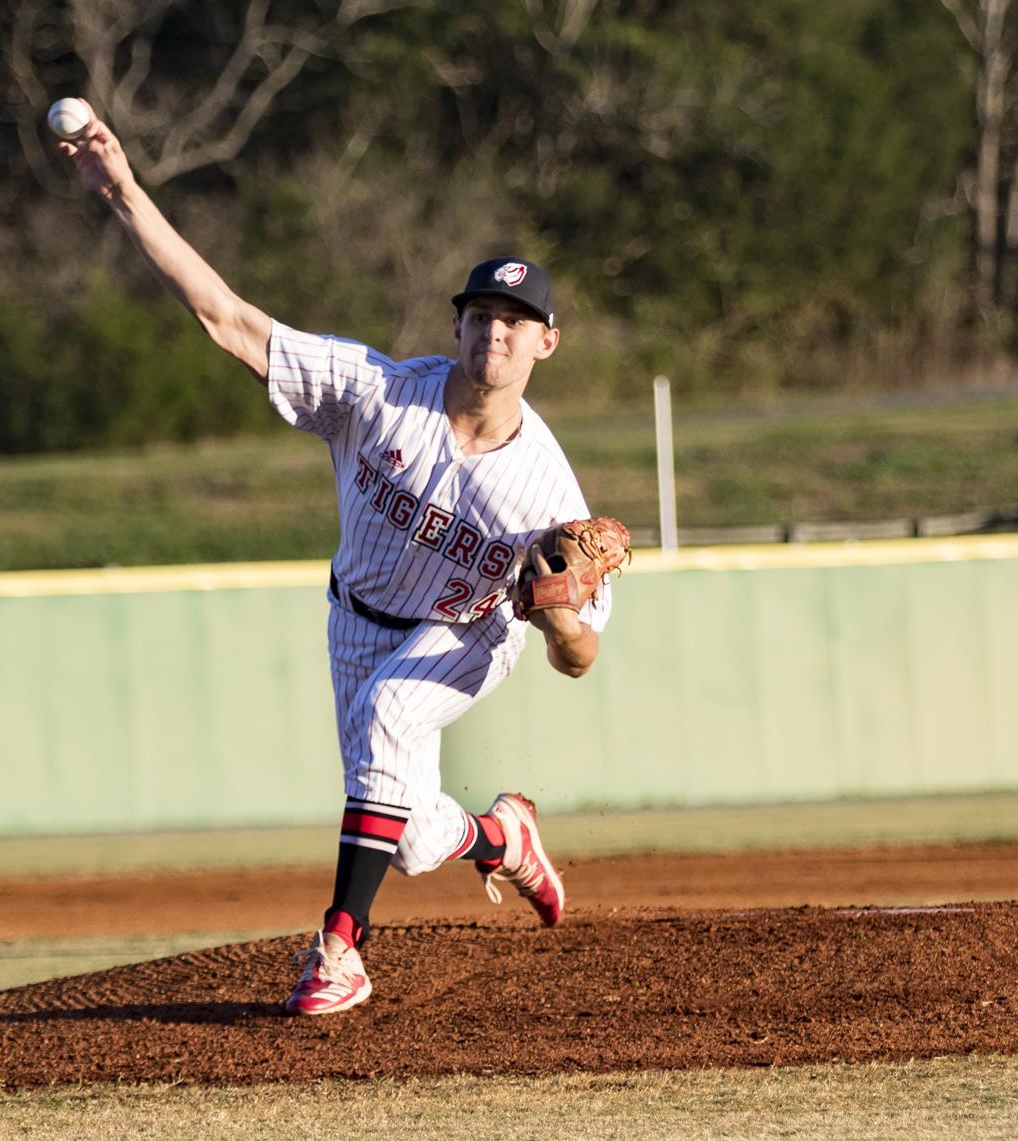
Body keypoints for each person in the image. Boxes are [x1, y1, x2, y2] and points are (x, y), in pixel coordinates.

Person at [56, 102, 614, 1016]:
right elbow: (227, 318)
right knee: (408, 829)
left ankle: (340, 948)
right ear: (459, 322)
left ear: (545, 341)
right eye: (482, 314)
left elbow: (581, 654)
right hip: (354, 617)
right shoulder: (378, 394)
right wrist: (123, 191)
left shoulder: (549, 494)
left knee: (396, 714)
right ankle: (501, 835)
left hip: (468, 633)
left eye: (518, 321)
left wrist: (556, 612)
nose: (496, 333)